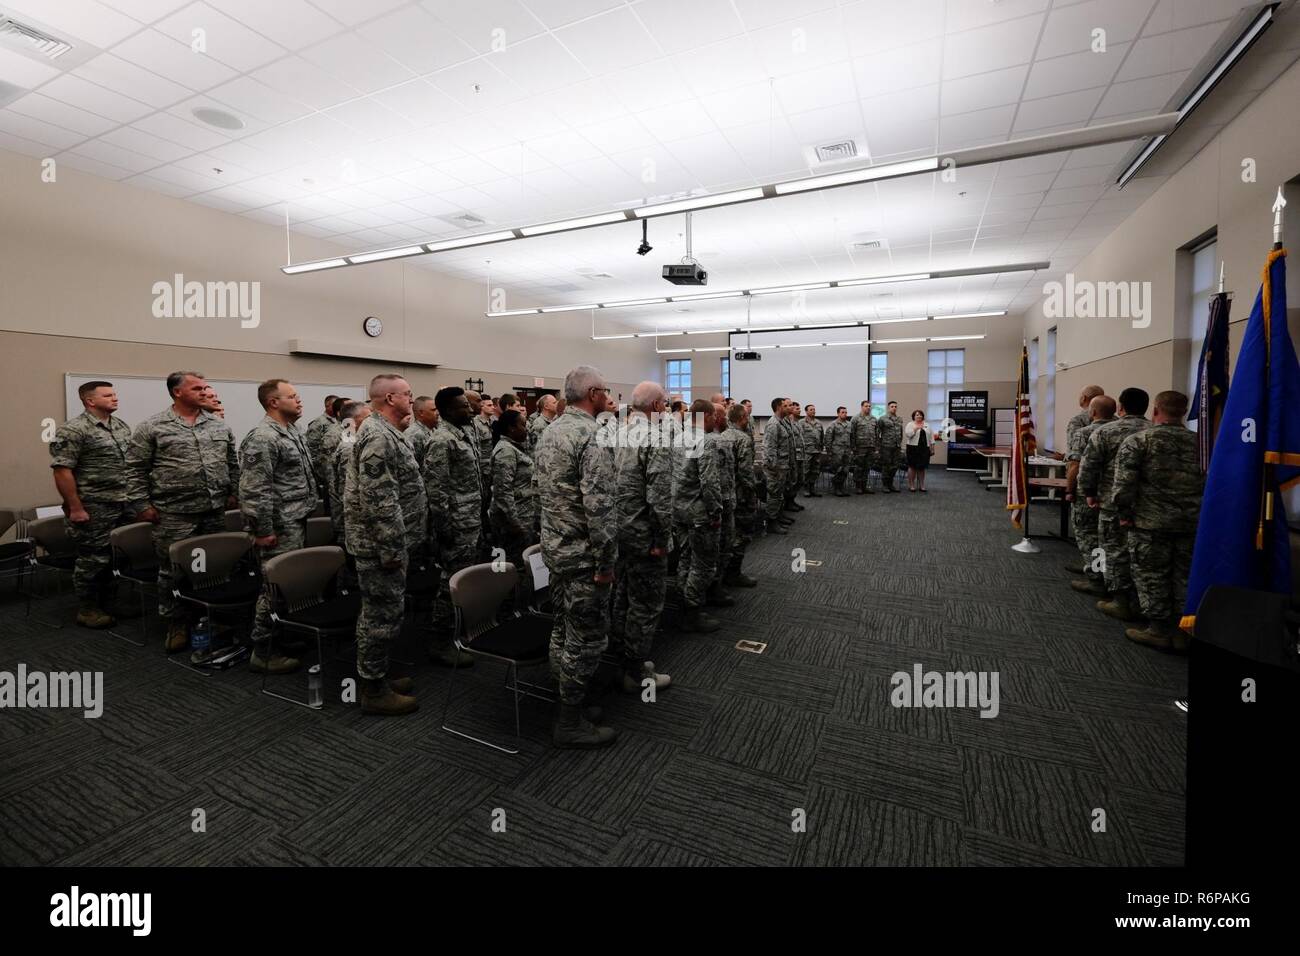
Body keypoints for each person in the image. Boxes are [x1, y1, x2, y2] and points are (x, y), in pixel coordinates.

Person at [534, 365, 619, 748]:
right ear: (594, 394)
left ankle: (569, 702)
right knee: (587, 638)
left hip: (556, 551)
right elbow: (599, 508)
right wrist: (606, 562)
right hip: (584, 557)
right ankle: (568, 721)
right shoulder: (591, 435)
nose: (608, 397)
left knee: (562, 630)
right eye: (606, 391)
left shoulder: (550, 431)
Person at [125, 371, 238, 653]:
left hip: (213, 510)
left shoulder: (218, 424)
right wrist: (142, 505)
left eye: (205, 388)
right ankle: (176, 622)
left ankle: (210, 616)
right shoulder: (152, 426)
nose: (205, 392)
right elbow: (134, 470)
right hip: (173, 513)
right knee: (173, 571)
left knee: (213, 567)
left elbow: (232, 463)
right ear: (177, 392)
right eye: (197, 388)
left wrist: (234, 492)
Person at [344, 374, 425, 715]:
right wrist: (391, 548)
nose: (412, 398)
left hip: (388, 542)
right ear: (390, 399)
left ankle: (377, 674)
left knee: (386, 614)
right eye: (407, 393)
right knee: (380, 616)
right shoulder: (378, 435)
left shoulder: (388, 432)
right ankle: (373, 689)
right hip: (379, 546)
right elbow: (378, 498)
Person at [1111, 390, 1203, 652]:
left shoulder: (1139, 441)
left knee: (1152, 575)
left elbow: (1124, 486)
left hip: (1150, 523)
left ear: (1155, 410)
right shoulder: (1201, 443)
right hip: (1191, 523)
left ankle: (1158, 630)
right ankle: (1183, 631)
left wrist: (1124, 515)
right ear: (1184, 412)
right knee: (1184, 576)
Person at [239, 379, 317, 675]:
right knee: (275, 587)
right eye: (292, 396)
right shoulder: (262, 437)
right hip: (279, 525)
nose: (299, 400)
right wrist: (262, 530)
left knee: (290, 584)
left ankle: (280, 636)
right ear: (274, 402)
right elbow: (254, 489)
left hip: (295, 519)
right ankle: (263, 650)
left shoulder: (293, 431)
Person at [49, 381, 135, 629]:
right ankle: (87, 609)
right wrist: (75, 507)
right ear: (90, 401)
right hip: (94, 504)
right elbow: (62, 471)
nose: (114, 398)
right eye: (107, 395)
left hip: (123, 502)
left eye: (114, 394)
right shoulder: (73, 429)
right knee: (93, 558)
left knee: (118, 556)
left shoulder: (120, 426)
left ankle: (109, 601)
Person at [610, 381, 674, 694]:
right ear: (657, 406)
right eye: (666, 403)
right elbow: (659, 499)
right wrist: (662, 541)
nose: (667, 408)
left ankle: (620, 659)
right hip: (645, 536)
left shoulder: (615, 433)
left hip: (618, 531)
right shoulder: (656, 438)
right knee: (645, 604)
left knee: (622, 597)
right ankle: (635, 672)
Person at [1077, 387, 1151, 617]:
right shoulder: (1153, 431)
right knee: (1141, 555)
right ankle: (1142, 602)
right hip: (1147, 506)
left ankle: (1114, 595)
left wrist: (1088, 492)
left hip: (1110, 503)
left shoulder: (1105, 432)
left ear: (1121, 407)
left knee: (1109, 549)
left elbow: (1087, 467)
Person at [423, 386, 483, 668]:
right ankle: (440, 642)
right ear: (448, 410)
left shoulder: (463, 433)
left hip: (470, 519)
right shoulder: (442, 440)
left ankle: (459, 633)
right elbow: (437, 490)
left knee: (464, 579)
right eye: (463, 406)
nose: (470, 410)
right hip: (456, 525)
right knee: (450, 584)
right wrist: (444, 528)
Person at [676, 398, 724, 632]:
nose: (716, 419)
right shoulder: (705, 441)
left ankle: (684, 604)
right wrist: (715, 512)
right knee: (704, 563)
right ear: (706, 416)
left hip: (679, 509)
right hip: (698, 512)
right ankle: (693, 611)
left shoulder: (678, 438)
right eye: (714, 416)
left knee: (685, 558)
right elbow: (709, 482)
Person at [1064, 395, 1116, 591]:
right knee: (1110, 539)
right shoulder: (1128, 431)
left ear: (1092, 412)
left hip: (1089, 494)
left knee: (1090, 536)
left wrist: (1070, 490)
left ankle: (1096, 578)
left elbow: (1075, 465)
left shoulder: (1085, 432)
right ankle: (1108, 575)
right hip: (1117, 496)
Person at [489, 408, 538, 571]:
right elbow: (502, 491)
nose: (526, 429)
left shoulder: (514, 447)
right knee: (512, 566)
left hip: (523, 513)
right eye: (523, 425)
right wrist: (514, 523)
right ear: (511, 428)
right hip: (513, 519)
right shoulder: (506, 451)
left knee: (519, 563)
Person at [717, 402, 758, 587]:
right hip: (741, 494)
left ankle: (723, 573)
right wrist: (752, 492)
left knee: (727, 535)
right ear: (743, 418)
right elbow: (745, 471)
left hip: (726, 493)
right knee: (742, 534)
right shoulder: (743, 439)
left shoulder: (721, 436)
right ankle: (733, 573)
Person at [329, 401, 370, 549]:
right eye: (367, 418)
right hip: (354, 520)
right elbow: (348, 489)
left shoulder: (354, 441)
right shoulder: (349, 447)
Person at [709, 402, 738, 610]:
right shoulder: (718, 442)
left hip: (697, 506)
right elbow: (715, 479)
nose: (727, 419)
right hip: (719, 503)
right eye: (723, 415)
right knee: (720, 547)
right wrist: (716, 509)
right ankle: (713, 589)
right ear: (715, 417)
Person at [762, 397, 793, 534]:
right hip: (775, 468)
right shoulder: (773, 424)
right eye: (785, 406)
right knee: (774, 495)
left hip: (782, 466)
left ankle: (778, 516)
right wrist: (774, 469)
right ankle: (771, 522)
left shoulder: (782, 422)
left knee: (779, 494)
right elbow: (770, 449)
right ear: (779, 407)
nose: (788, 408)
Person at [305, 394, 339, 495]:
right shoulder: (318, 423)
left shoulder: (341, 421)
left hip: (337, 465)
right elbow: (311, 448)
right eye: (335, 405)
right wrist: (320, 470)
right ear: (327, 406)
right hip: (325, 468)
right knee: (329, 494)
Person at [1062, 385, 1105, 462]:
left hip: (1086, 466)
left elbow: (1073, 451)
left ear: (1083, 398)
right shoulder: (1116, 420)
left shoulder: (1077, 420)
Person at [903, 410, 938, 492]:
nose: (919, 416)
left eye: (920, 415)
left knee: (922, 467)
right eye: (917, 415)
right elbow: (908, 435)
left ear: (922, 416)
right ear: (914, 417)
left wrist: (932, 448)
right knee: (912, 466)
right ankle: (911, 485)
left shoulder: (927, 425)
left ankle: (922, 485)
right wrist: (915, 429)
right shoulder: (910, 424)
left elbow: (931, 437)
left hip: (924, 449)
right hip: (912, 448)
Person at [875, 401, 905, 492]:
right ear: (888, 408)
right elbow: (877, 433)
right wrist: (878, 446)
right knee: (886, 465)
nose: (894, 408)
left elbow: (900, 432)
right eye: (892, 406)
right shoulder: (882, 419)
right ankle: (885, 485)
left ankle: (890, 484)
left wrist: (899, 443)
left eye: (895, 406)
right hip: (886, 446)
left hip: (896, 446)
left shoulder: (899, 419)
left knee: (895, 465)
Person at [850, 400, 877, 494]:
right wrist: (853, 447)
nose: (868, 408)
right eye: (866, 406)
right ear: (862, 407)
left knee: (867, 467)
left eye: (869, 406)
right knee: (859, 467)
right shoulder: (855, 418)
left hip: (871, 447)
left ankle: (864, 486)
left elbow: (876, 433)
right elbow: (852, 434)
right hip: (860, 447)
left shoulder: (873, 419)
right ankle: (858, 487)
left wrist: (876, 446)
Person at [798, 404, 825, 497]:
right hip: (807, 451)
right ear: (806, 411)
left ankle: (812, 488)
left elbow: (822, 436)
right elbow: (799, 436)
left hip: (816, 451)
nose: (813, 411)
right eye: (811, 410)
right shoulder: (801, 422)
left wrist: (821, 448)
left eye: (814, 409)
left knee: (815, 471)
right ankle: (806, 488)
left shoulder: (818, 423)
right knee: (806, 470)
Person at [825, 406, 852, 497]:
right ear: (838, 413)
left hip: (847, 451)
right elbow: (828, 438)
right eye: (842, 412)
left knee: (845, 470)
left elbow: (851, 437)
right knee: (838, 470)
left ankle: (841, 487)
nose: (845, 414)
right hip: (837, 452)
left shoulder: (849, 424)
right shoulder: (833, 424)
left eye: (846, 412)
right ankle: (836, 488)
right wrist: (829, 451)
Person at [405, 395, 438, 470]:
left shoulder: (431, 430)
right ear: (421, 413)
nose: (437, 413)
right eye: (433, 410)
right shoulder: (414, 435)